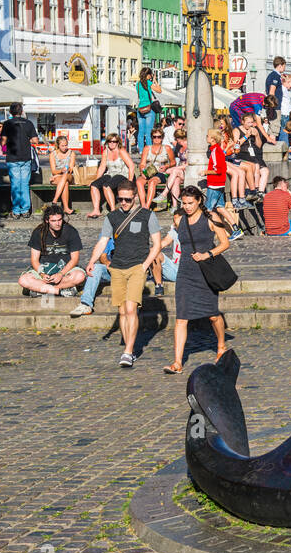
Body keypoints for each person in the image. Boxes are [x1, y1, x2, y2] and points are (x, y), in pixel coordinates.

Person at [84, 180, 161, 368]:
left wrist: (145, 265)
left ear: (135, 197)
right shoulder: (112, 217)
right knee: (121, 311)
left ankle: (127, 351)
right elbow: (103, 241)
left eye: (127, 199)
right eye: (120, 199)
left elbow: (157, 244)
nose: (124, 203)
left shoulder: (147, 216)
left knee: (130, 309)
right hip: (117, 267)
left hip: (137, 267)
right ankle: (130, 348)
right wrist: (92, 261)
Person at [162, 186, 231, 375]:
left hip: (205, 273)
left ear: (199, 201)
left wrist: (207, 254)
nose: (187, 207)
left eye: (190, 203)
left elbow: (225, 243)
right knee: (181, 318)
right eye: (184, 203)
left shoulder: (211, 218)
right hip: (185, 273)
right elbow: (169, 238)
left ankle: (221, 346)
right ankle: (177, 362)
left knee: (213, 315)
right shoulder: (179, 219)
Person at [19, 203, 86, 296]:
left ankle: (41, 290)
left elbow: (74, 259)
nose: (58, 223)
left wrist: (61, 274)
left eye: (59, 220)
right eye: (53, 221)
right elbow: (34, 260)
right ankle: (59, 291)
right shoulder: (38, 232)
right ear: (47, 220)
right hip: (44, 269)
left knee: (80, 276)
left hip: (65, 270)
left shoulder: (71, 231)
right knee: (23, 280)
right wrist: (42, 274)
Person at [0, 103, 39, 219]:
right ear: (21, 111)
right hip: (26, 157)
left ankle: (16, 211)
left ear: (11, 112)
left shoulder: (7, 124)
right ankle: (26, 210)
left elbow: (3, 141)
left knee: (15, 185)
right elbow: (35, 140)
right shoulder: (28, 123)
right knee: (25, 184)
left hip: (12, 158)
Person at [204, 129, 243, 241]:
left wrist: (206, 172)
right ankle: (236, 229)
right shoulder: (218, 150)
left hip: (214, 184)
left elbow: (218, 170)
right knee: (221, 208)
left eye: (208, 136)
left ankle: (205, 233)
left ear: (212, 139)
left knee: (208, 209)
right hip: (220, 184)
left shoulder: (215, 151)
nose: (206, 137)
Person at [87, 135, 135, 218]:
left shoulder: (121, 151)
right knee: (94, 185)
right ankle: (96, 209)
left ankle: (113, 210)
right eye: (110, 141)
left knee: (106, 186)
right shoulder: (106, 151)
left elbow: (131, 166)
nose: (112, 143)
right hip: (110, 173)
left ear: (118, 143)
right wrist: (97, 180)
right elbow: (102, 167)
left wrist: (129, 183)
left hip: (122, 174)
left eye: (114, 141)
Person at [135, 130, 175, 209]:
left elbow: (173, 162)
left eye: (159, 137)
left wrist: (166, 166)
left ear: (162, 138)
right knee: (139, 181)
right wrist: (142, 171)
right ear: (152, 138)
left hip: (161, 172)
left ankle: (147, 207)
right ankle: (143, 205)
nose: (157, 139)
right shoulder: (147, 148)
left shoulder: (167, 148)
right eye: (154, 137)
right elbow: (142, 163)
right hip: (149, 171)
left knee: (152, 182)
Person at [44, 135, 77, 213]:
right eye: (62, 146)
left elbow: (71, 169)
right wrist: (61, 171)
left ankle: (55, 200)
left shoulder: (71, 153)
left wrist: (62, 173)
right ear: (58, 145)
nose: (65, 147)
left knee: (65, 176)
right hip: (58, 177)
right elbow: (53, 171)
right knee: (65, 183)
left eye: (66, 145)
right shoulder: (53, 154)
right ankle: (66, 208)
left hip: (69, 176)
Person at [135, 67, 163, 151]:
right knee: (148, 132)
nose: (151, 76)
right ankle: (149, 150)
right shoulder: (148, 83)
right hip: (149, 109)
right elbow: (159, 90)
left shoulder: (138, 84)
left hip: (140, 109)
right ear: (148, 75)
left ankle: (141, 150)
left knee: (141, 131)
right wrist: (155, 81)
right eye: (150, 74)